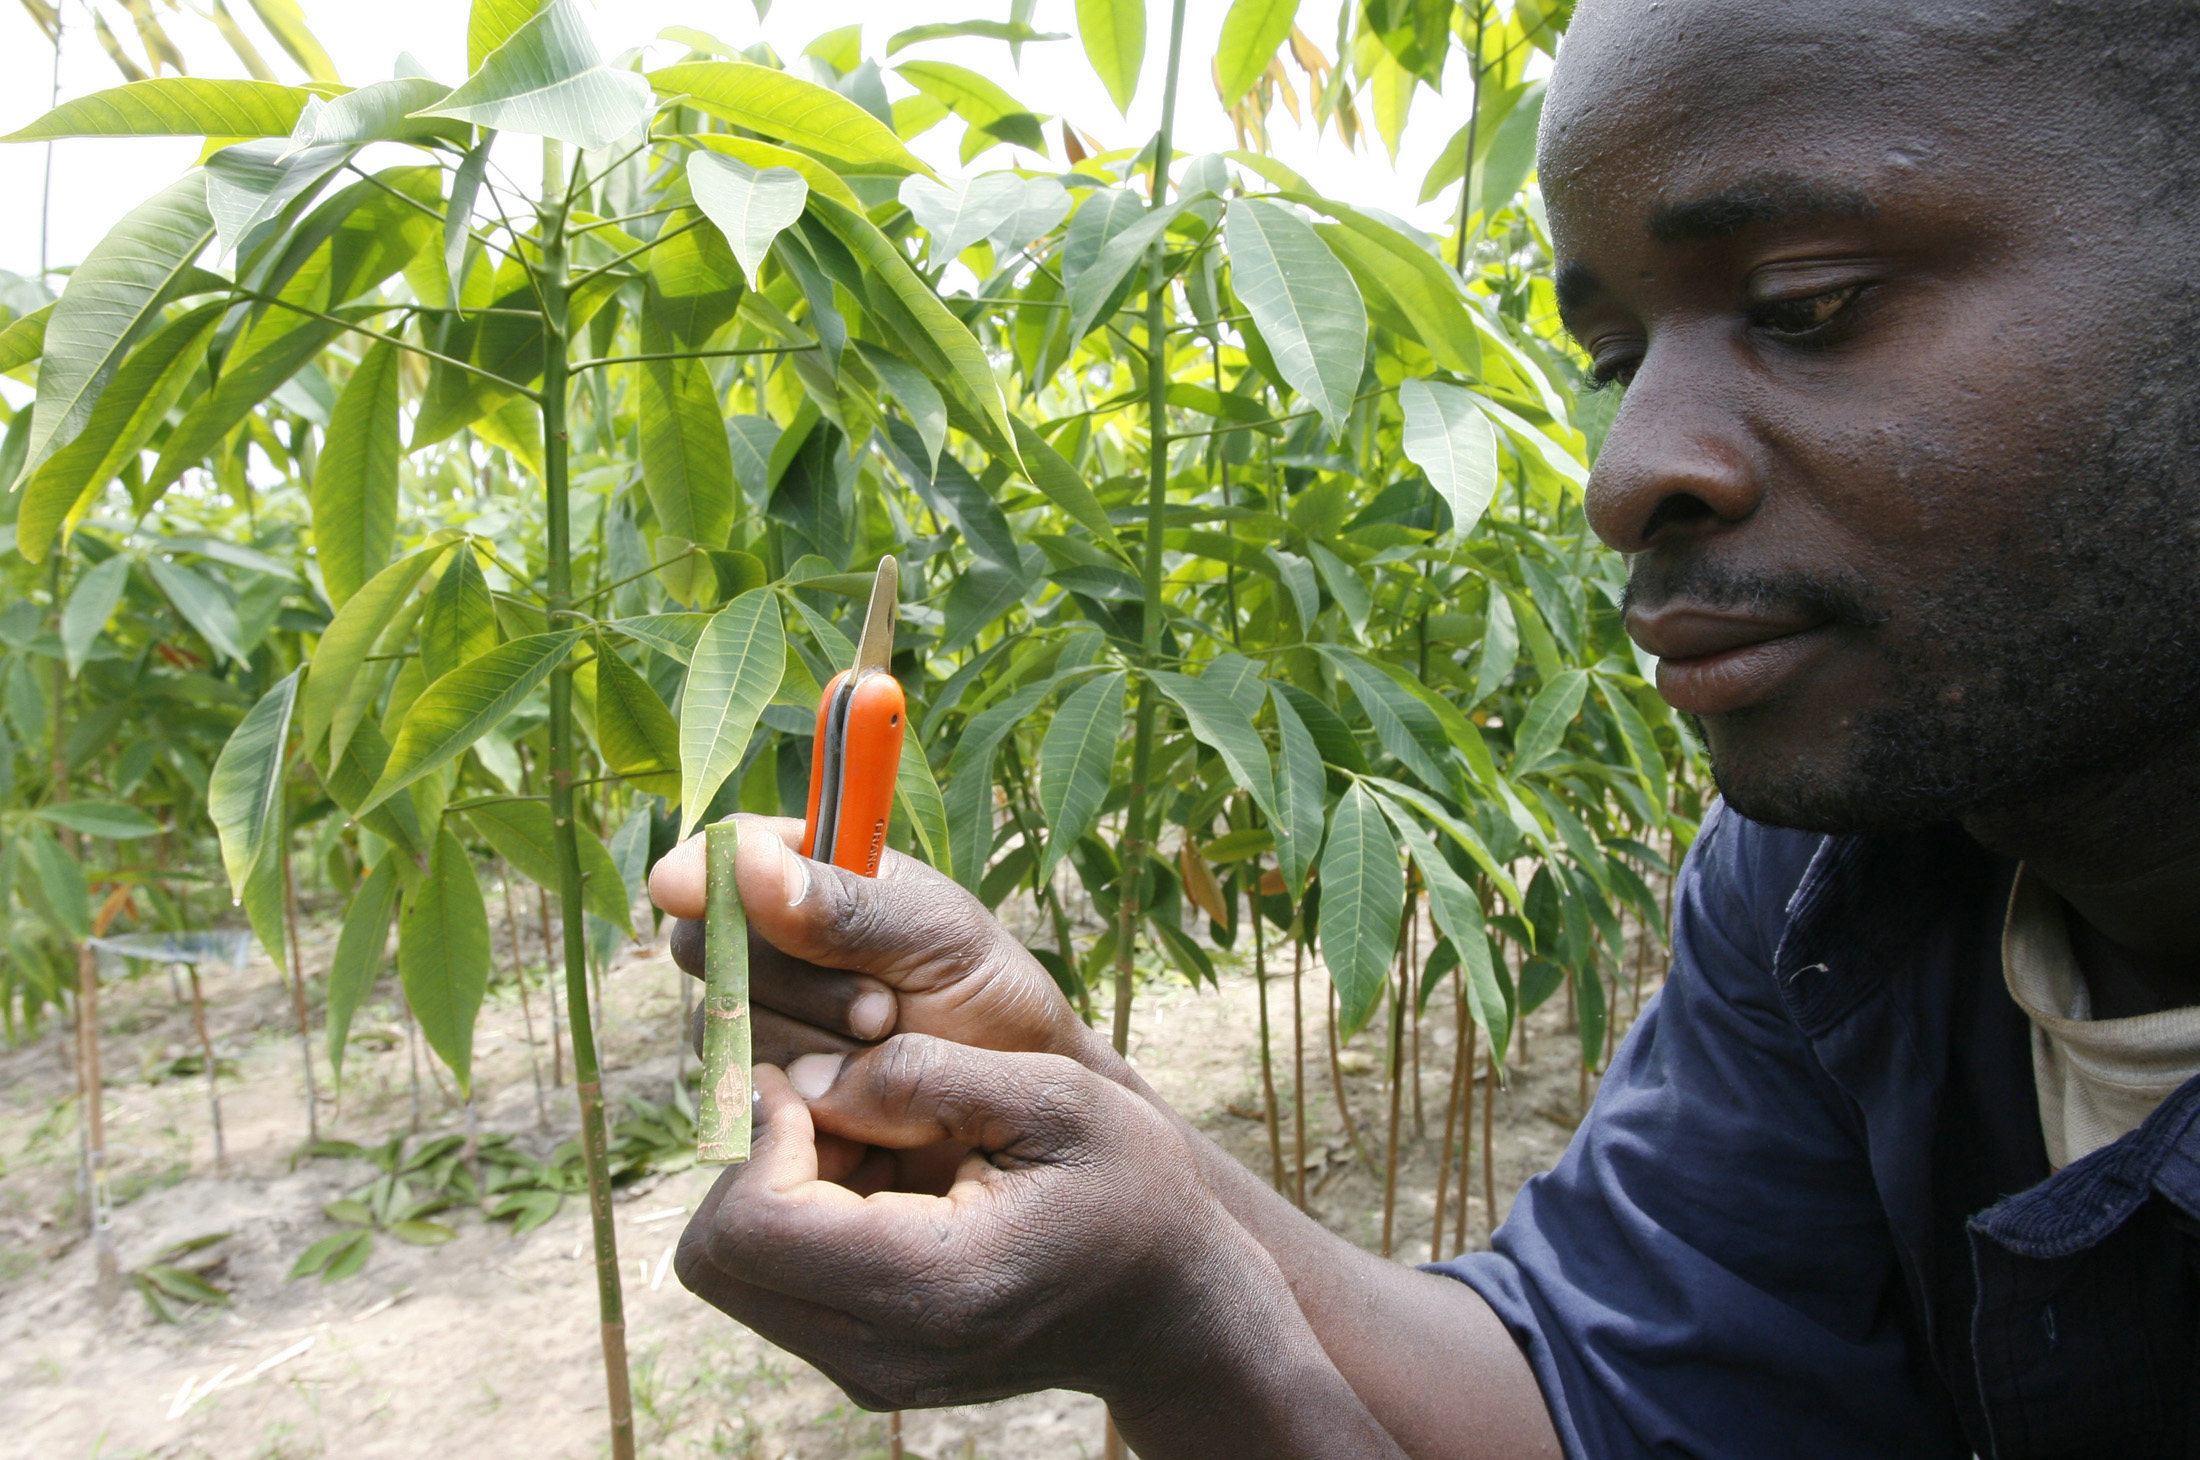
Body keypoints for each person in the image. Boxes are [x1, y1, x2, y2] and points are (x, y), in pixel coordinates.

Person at [648, 0, 2200, 1453]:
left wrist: (1202, 1341)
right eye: (1615, 363)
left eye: (1809, 305)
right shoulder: (1827, 882)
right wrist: (1091, 1131)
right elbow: (1591, 1383)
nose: (1620, 472)